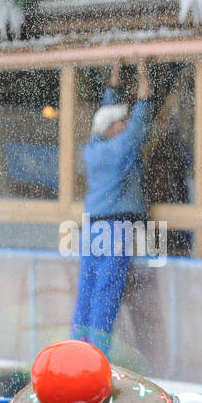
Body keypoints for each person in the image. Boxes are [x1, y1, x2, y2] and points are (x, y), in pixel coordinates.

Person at [72, 58, 153, 352]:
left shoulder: (94, 148)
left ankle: (76, 353)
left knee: (86, 294)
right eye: (122, 121)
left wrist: (115, 74)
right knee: (106, 297)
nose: (126, 122)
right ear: (112, 129)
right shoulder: (123, 146)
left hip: (91, 228)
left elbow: (107, 112)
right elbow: (144, 113)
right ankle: (96, 361)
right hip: (115, 229)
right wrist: (144, 74)